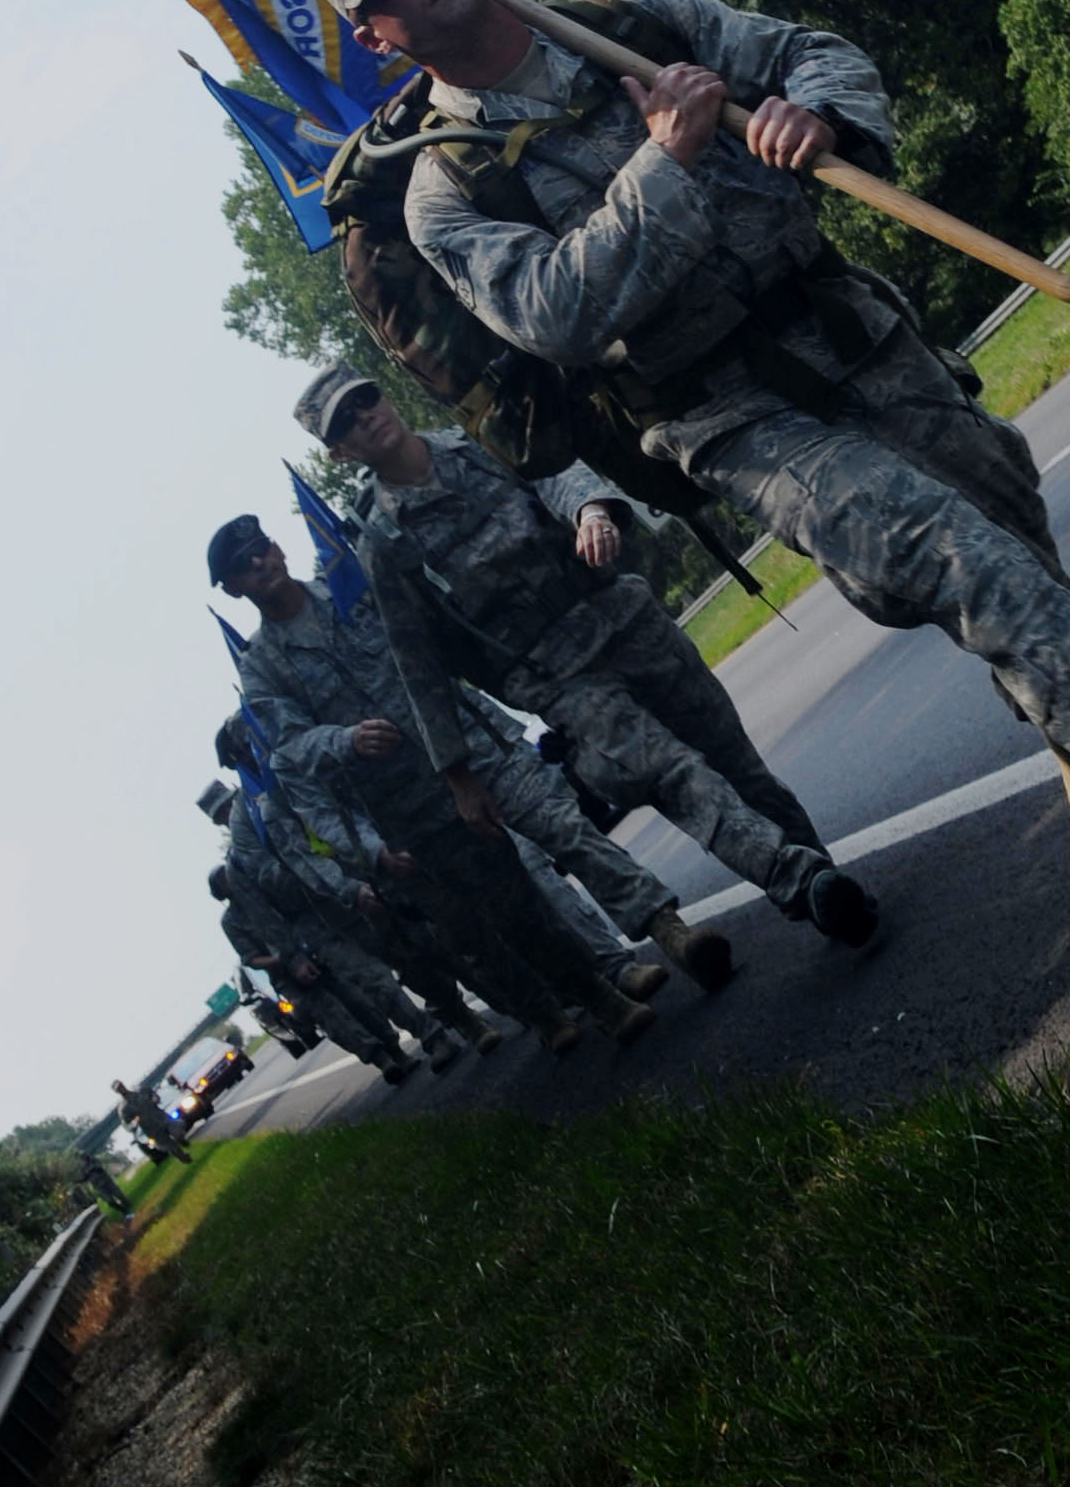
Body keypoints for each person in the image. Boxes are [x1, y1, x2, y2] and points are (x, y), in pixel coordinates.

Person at [308, 0, 1070, 870]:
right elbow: (554, 313)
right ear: (375, 36)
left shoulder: (629, 22)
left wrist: (820, 118)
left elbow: (811, 52)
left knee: (1005, 520)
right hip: (725, 413)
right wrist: (665, 159)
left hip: (841, 322)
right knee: (945, 550)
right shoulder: (444, 188)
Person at [293, 364, 820, 960]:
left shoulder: (483, 440)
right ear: (339, 452)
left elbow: (559, 474)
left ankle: (824, 875)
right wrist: (459, 775)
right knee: (673, 773)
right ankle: (793, 877)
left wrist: (591, 513)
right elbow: (419, 664)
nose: (365, 417)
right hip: (556, 675)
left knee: (739, 765)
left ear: (384, 395)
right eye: (346, 422)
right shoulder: (382, 542)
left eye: (365, 399)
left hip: (622, 618)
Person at [207, 514, 658, 1054]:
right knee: (499, 917)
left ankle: (639, 949)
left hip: (470, 747)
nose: (259, 563)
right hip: (411, 809)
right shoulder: (263, 669)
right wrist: (346, 749)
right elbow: (293, 755)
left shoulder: (350, 583)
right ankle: (575, 1004)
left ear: (279, 548)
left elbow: (428, 625)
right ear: (233, 588)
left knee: (556, 845)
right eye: (243, 565)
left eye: (262, 549)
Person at [200, 777, 463, 1073]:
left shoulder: (277, 803)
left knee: (412, 955)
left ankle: (462, 1016)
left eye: (228, 805)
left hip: (345, 891)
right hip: (312, 925)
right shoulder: (238, 865)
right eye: (221, 813)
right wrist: (293, 957)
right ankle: (432, 1037)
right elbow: (264, 917)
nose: (228, 813)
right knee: (374, 982)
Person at [111, 1079, 192, 1164]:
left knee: (177, 1132)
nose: (121, 1089)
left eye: (121, 1086)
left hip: (162, 1118)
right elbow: (127, 1126)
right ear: (117, 1092)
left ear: (123, 1084)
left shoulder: (139, 1091)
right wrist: (134, 1123)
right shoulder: (124, 1108)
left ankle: (182, 1140)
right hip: (152, 1130)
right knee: (171, 1147)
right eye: (118, 1089)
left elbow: (153, 1094)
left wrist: (155, 1098)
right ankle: (184, 1158)